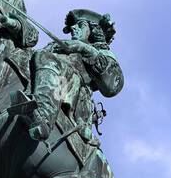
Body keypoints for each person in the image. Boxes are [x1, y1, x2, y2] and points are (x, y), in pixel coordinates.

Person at [24, 9, 123, 143]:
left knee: (47, 58)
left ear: (93, 31)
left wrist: (82, 48)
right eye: (73, 27)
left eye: (80, 25)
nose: (74, 29)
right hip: (44, 78)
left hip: (74, 94)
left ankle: (43, 116)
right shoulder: (59, 45)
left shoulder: (103, 53)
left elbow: (112, 87)